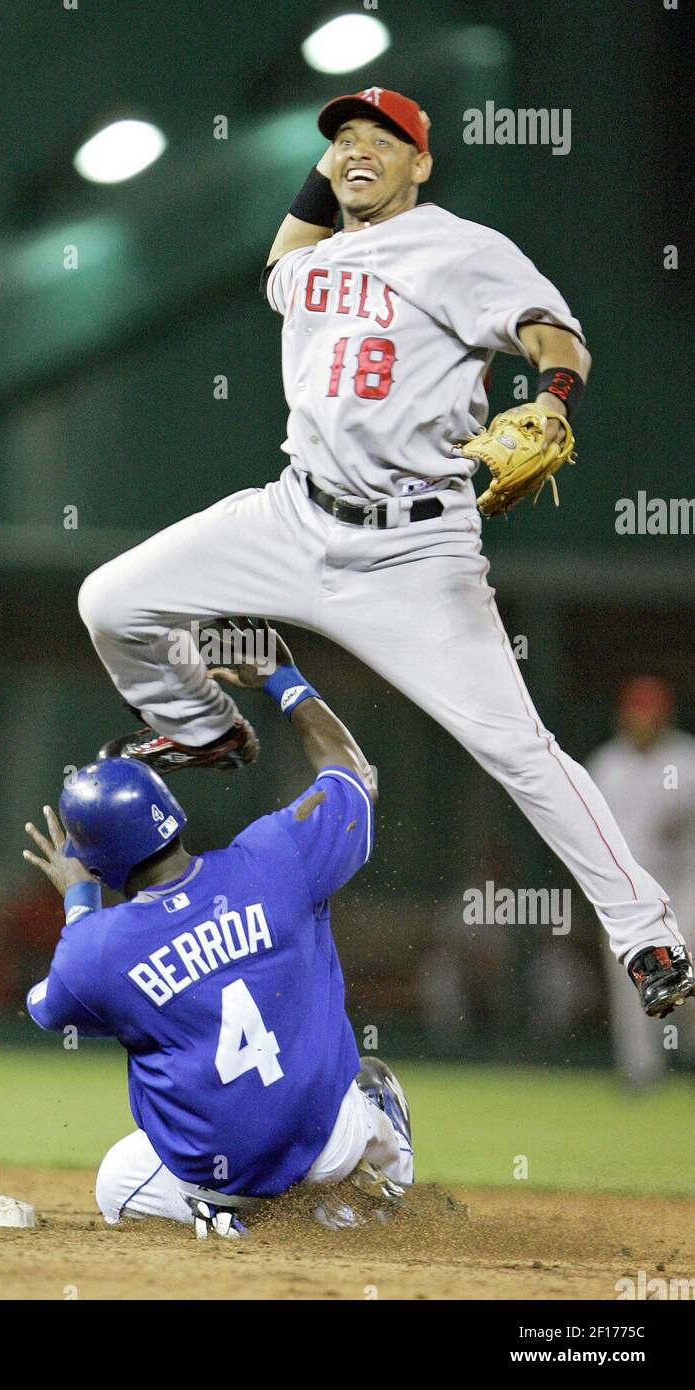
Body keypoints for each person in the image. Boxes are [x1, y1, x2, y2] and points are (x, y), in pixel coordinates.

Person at [75, 84, 692, 1021]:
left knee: (518, 749)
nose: (359, 152)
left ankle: (646, 933)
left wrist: (553, 398)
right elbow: (282, 260)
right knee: (112, 601)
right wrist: (324, 173)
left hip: (413, 553)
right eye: (345, 142)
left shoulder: (460, 246)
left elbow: (553, 332)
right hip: (291, 517)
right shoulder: (315, 262)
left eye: (383, 140)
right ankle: (204, 727)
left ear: (423, 162)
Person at [22, 632, 412, 1234]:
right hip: (329, 1142)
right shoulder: (277, 855)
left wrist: (78, 898)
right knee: (372, 1080)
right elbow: (355, 777)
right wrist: (285, 680)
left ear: (97, 864)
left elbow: (46, 1009)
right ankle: (366, 1189)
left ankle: (235, 1219)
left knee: (115, 1182)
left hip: (219, 1177)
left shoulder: (98, 948)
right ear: (171, 811)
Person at [586, 678, 695, 1086]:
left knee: (688, 967)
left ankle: (687, 1055)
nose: (642, 720)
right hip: (627, 893)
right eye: (636, 711)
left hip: (685, 882)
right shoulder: (607, 764)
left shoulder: (686, 759)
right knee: (632, 977)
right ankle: (641, 1072)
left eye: (649, 712)